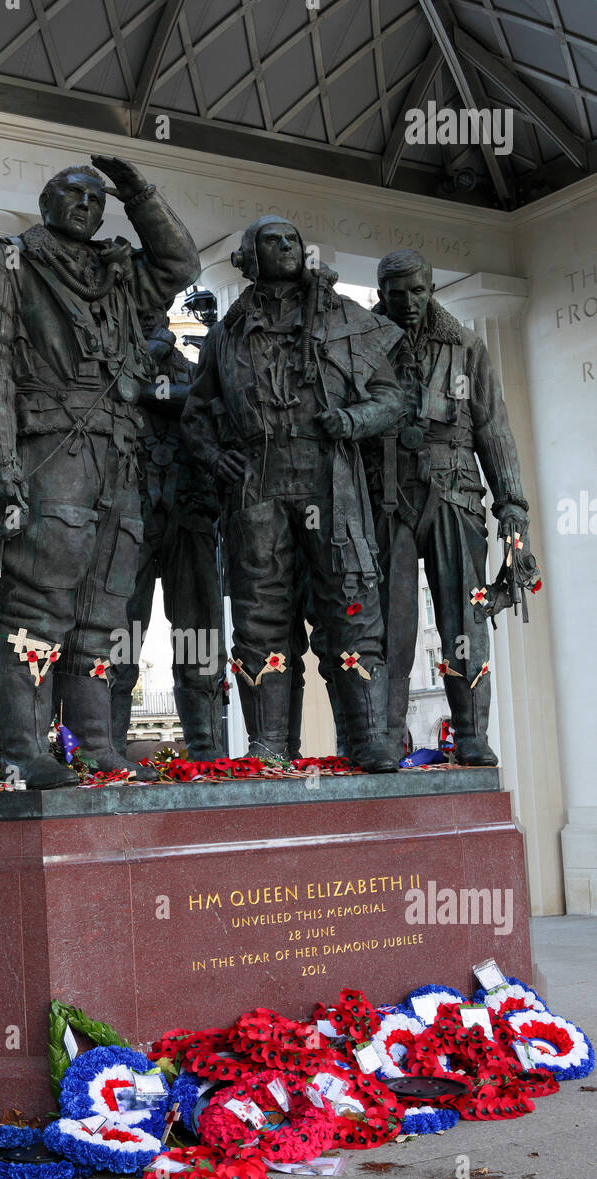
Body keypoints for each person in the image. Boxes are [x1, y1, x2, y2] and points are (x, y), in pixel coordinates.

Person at [0, 157, 200, 788]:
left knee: (105, 609)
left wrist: (142, 195)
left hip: (117, 454)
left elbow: (181, 266)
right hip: (49, 449)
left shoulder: (116, 273)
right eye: (72, 193)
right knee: (36, 601)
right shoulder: (5, 263)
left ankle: (95, 744)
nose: (88, 205)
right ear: (45, 201)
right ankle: (22, 750)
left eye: (98, 198)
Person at [181, 216, 404, 773]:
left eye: (292, 240)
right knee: (261, 612)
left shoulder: (348, 318)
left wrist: (352, 420)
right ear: (249, 256)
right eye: (271, 240)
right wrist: (214, 455)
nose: (285, 247)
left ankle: (369, 737)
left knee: (350, 606)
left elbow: (392, 398)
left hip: (329, 476)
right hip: (257, 482)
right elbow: (195, 412)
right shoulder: (227, 332)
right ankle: (271, 745)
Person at [363, 249, 537, 765]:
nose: (409, 302)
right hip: (386, 495)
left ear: (431, 289)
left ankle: (470, 734)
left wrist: (512, 502)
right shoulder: (361, 344)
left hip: (456, 493)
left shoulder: (467, 346)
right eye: (398, 294)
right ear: (381, 295)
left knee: (465, 620)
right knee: (388, 624)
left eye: (418, 291)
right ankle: (387, 736)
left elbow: (492, 427)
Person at [109, 305, 226, 760]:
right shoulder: (114, 357)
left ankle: (206, 752)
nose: (151, 320)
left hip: (188, 514)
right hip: (128, 515)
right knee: (118, 637)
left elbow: (209, 402)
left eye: (156, 312)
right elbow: (109, 393)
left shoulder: (195, 367)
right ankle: (109, 752)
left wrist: (143, 391)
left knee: (198, 636)